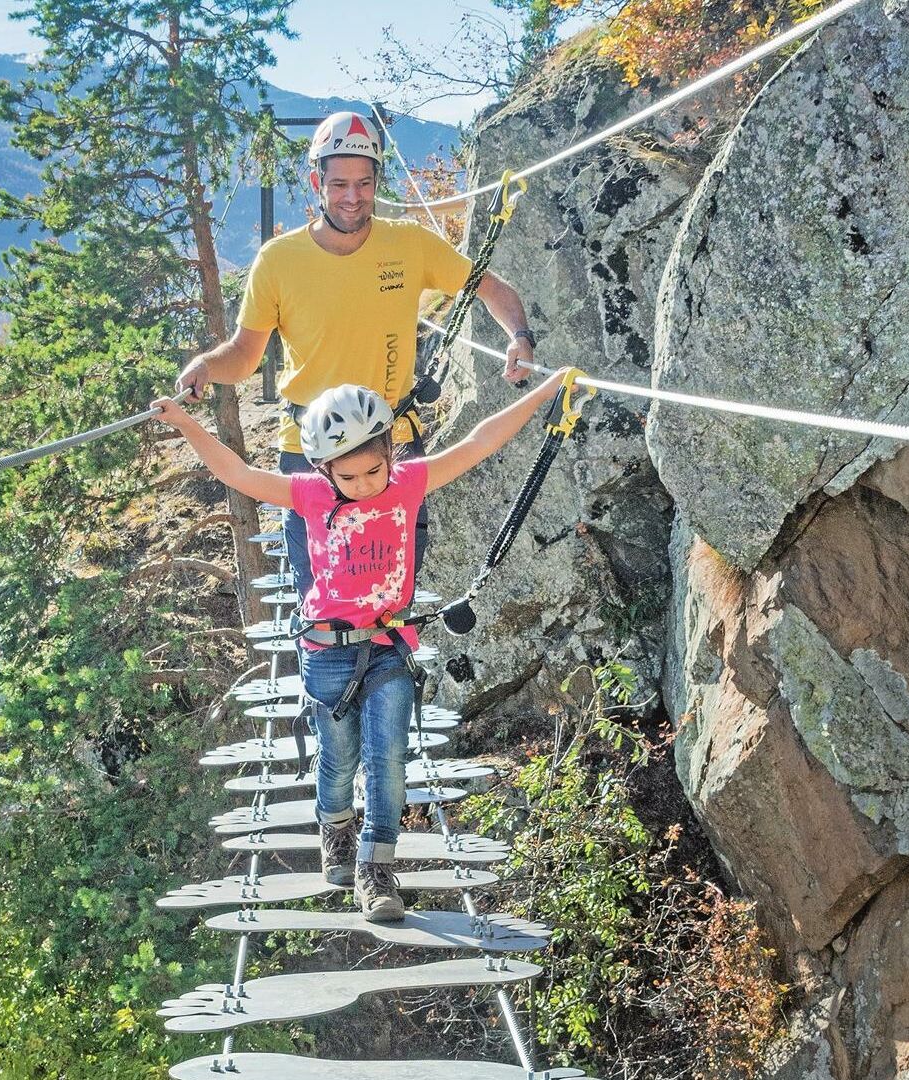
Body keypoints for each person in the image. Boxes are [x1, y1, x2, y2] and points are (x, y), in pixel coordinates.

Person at [153, 371, 575, 922]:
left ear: (390, 453)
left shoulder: (408, 483)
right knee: (338, 760)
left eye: (374, 469)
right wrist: (186, 423)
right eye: (346, 476)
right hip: (325, 652)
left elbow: (480, 442)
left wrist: (547, 392)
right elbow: (236, 472)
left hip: (388, 646)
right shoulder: (306, 493)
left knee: (389, 761)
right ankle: (335, 830)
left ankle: (376, 872)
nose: (363, 484)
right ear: (323, 470)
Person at [175, 110, 539, 594]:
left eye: (364, 184)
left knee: (392, 593)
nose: (352, 197)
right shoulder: (279, 262)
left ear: (376, 183)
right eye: (340, 184)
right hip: (310, 454)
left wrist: (519, 335)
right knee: (322, 604)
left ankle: (390, 670)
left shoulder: (409, 245)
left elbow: (488, 287)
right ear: (316, 182)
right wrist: (205, 366)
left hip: (391, 446)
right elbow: (244, 355)